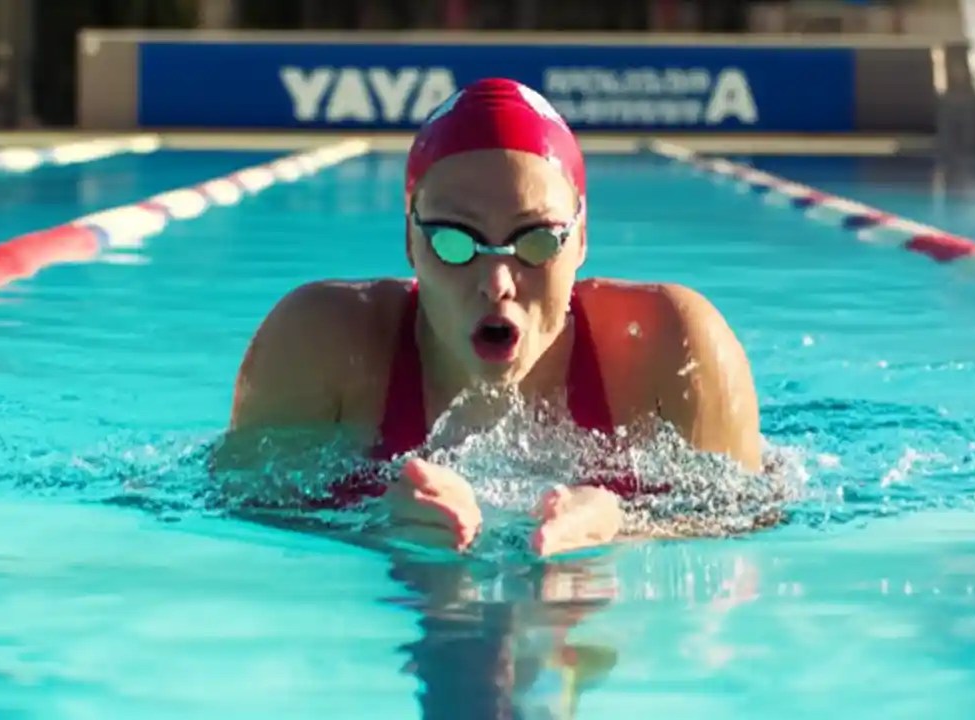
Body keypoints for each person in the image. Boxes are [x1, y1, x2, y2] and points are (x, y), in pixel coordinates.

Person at [216, 77, 763, 558]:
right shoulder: (320, 343)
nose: (497, 283)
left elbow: (756, 518)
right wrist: (373, 522)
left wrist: (622, 529)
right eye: (456, 241)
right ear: (410, 239)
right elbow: (229, 509)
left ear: (581, 239)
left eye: (537, 240)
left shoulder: (670, 345)